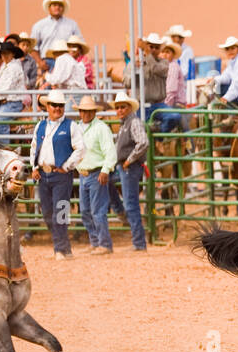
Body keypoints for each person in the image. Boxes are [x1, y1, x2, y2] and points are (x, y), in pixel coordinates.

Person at [29, 91, 85, 260]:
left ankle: (59, 248)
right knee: (47, 212)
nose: (58, 108)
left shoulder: (71, 126)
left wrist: (67, 166)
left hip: (61, 175)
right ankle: (64, 246)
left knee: (59, 211)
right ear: (47, 107)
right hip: (43, 174)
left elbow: (81, 149)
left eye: (60, 105)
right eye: (54, 105)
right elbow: (33, 147)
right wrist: (34, 166)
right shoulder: (40, 126)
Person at [75, 96, 116, 255]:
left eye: (89, 111)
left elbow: (110, 151)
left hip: (97, 173)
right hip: (84, 174)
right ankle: (96, 241)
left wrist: (105, 169)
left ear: (94, 112)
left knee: (97, 211)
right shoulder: (78, 128)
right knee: (85, 211)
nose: (86, 113)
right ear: (79, 112)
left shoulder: (101, 128)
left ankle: (104, 244)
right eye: (83, 111)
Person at [112, 92, 150, 251]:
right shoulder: (125, 124)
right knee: (107, 183)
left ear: (129, 108)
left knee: (131, 202)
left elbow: (143, 143)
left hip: (129, 167)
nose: (120, 110)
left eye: (122, 107)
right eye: (118, 107)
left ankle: (139, 242)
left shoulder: (133, 122)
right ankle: (121, 213)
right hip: (124, 167)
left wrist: (129, 160)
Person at [0, 41, 28, 135]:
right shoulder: (7, 67)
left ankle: (2, 148)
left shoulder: (14, 67)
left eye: (7, 53)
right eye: (3, 53)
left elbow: (6, 89)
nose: (5, 55)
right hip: (4, 103)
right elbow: (0, 87)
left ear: (13, 54)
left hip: (12, 103)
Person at [151, 41, 187, 132]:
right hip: (167, 102)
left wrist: (165, 106)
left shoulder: (173, 67)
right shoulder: (162, 67)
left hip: (175, 103)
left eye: (168, 52)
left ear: (173, 54)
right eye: (163, 52)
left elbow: (171, 91)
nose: (164, 55)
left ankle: (161, 137)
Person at [214, 36, 238, 105]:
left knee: (221, 89)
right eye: (227, 49)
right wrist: (214, 80)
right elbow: (226, 77)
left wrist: (226, 98)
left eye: (232, 48)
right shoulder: (233, 61)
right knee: (220, 86)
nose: (230, 51)